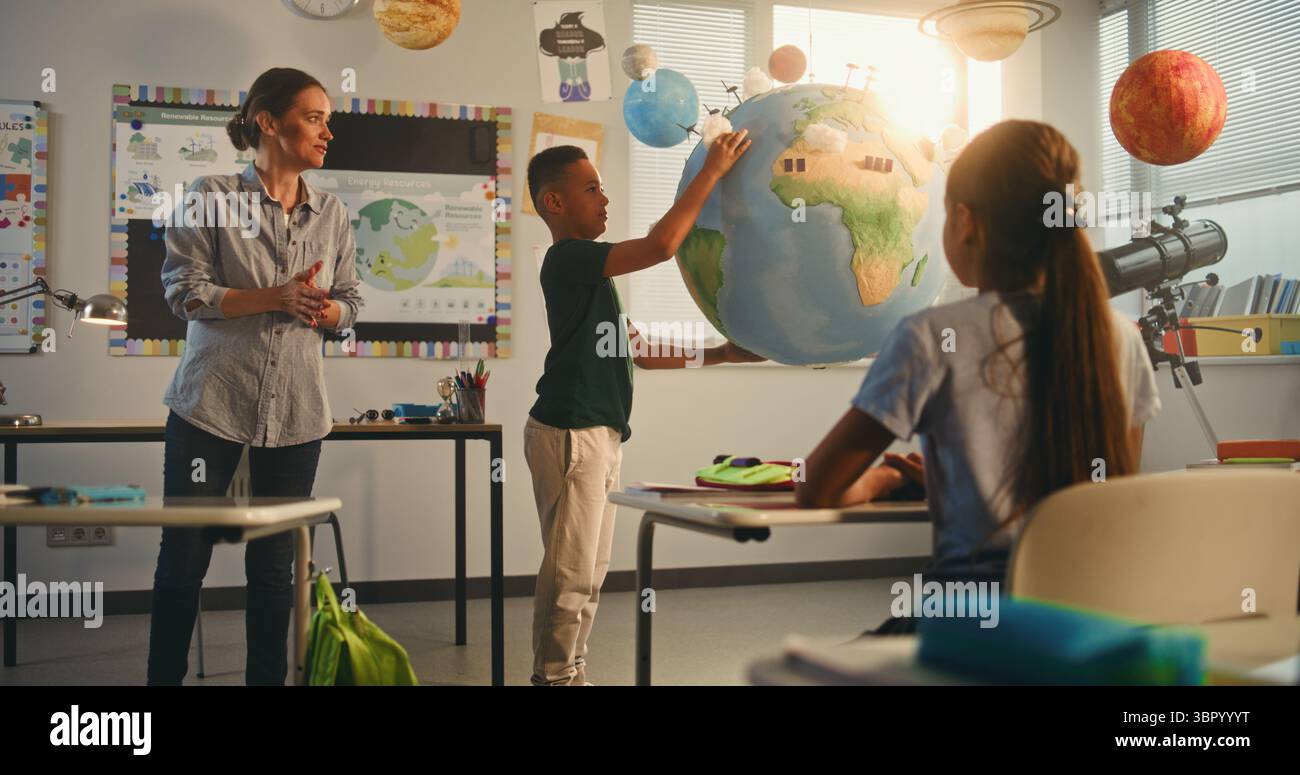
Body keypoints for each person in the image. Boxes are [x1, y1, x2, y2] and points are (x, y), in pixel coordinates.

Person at [796, 120, 1161, 632]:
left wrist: (884, 478)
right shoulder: (1121, 336)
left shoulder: (930, 336)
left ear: (966, 222)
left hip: (973, 624)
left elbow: (816, 489)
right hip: (1092, 626)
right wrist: (955, 482)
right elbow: (1111, 492)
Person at [149, 67, 362, 685]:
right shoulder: (211, 194)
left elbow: (351, 304)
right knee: (183, 559)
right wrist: (275, 296)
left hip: (297, 413)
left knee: (275, 570)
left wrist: (324, 309)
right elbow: (185, 294)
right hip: (210, 404)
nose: (328, 132)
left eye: (329, 120)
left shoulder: (333, 213)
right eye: (315, 117)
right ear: (268, 121)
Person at [524, 137, 763, 684]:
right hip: (569, 431)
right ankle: (554, 678)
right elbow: (661, 246)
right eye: (591, 189)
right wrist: (713, 169)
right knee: (571, 573)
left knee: (590, 571)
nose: (604, 200)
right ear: (554, 203)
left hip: (597, 434)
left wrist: (721, 354)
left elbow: (641, 352)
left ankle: (569, 672)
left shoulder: (595, 277)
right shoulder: (568, 259)